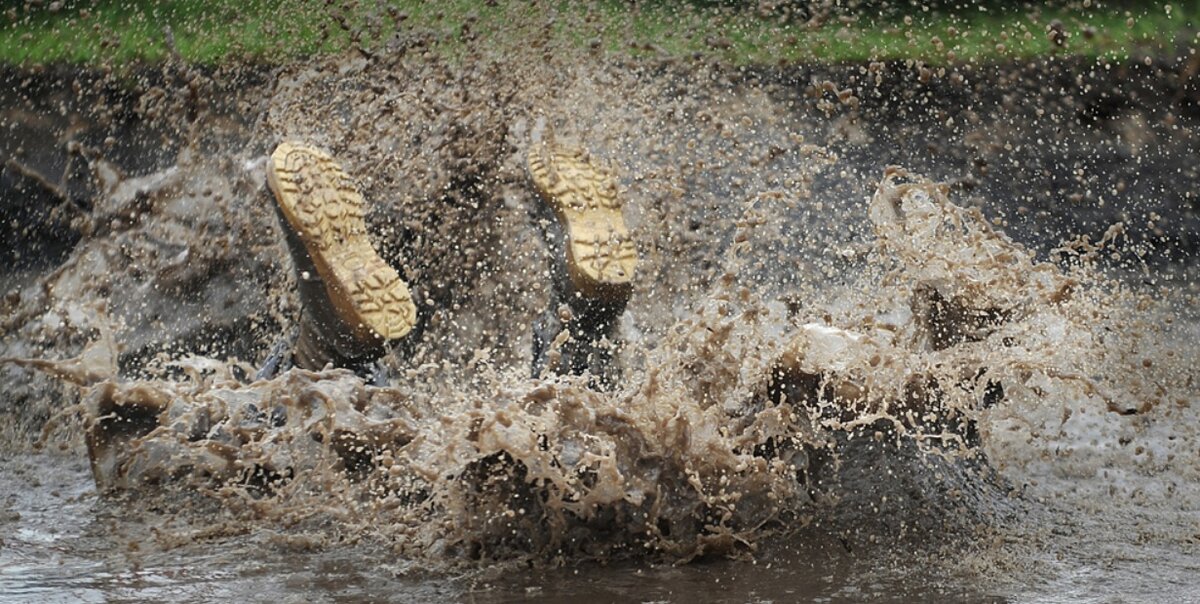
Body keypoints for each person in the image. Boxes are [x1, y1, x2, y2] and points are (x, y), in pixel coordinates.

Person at [254, 141, 638, 387]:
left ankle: (329, 340)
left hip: (383, 451)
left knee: (316, 407)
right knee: (570, 419)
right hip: (559, 482)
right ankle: (588, 313)